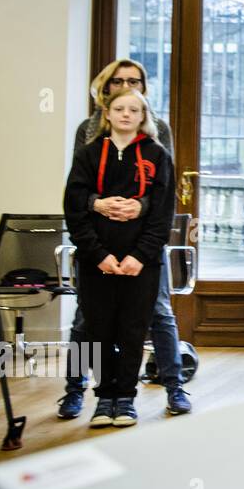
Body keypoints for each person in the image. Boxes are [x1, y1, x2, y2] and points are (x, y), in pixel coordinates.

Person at [57, 58, 191, 419]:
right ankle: (75, 389)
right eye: (118, 81)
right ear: (105, 91)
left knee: (158, 313)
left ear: (144, 92)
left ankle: (174, 386)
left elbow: (163, 188)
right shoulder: (88, 131)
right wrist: (98, 204)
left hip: (142, 245)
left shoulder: (157, 130)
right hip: (98, 244)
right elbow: (77, 190)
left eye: (134, 82)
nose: (126, 87)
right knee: (87, 320)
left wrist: (138, 207)